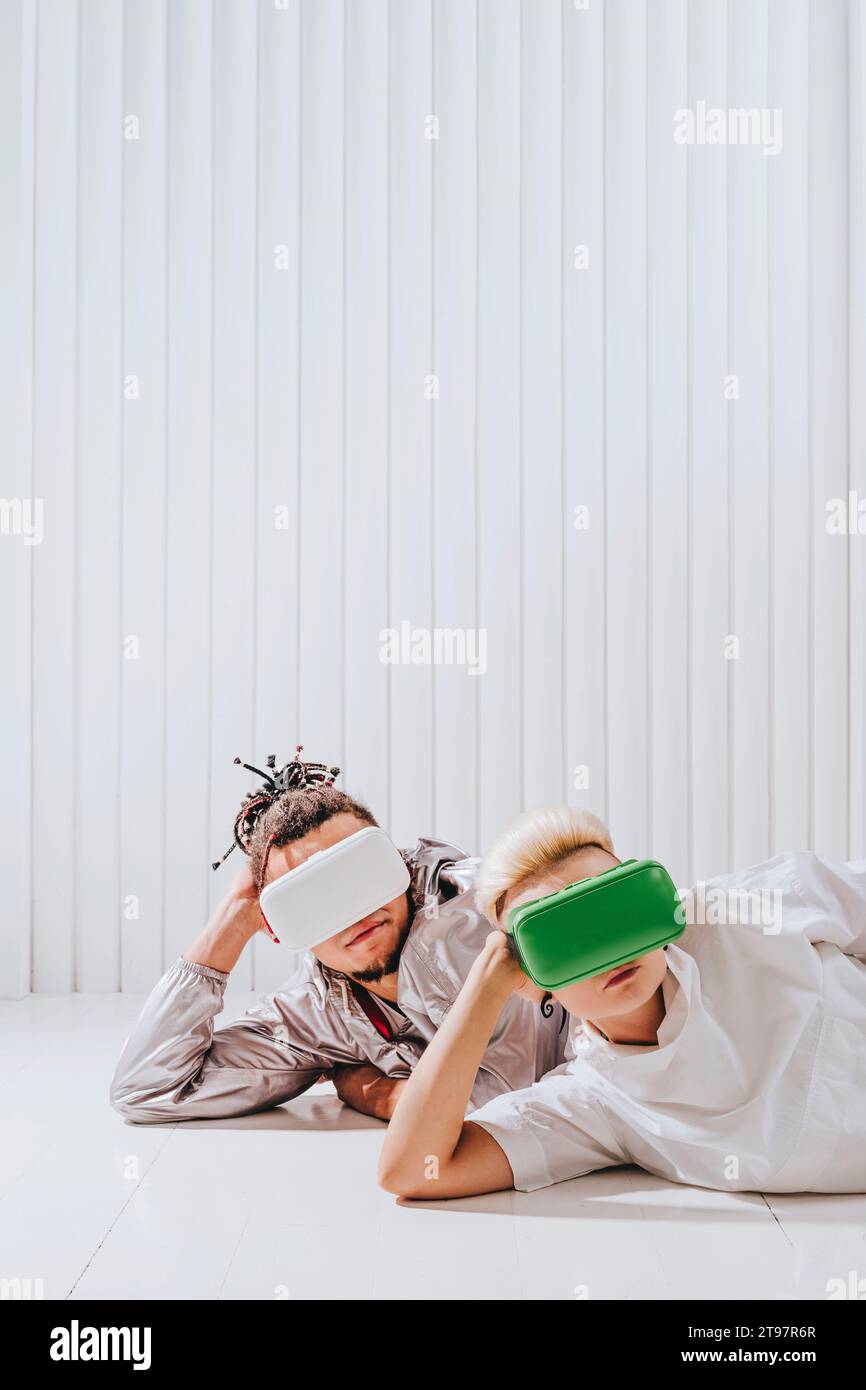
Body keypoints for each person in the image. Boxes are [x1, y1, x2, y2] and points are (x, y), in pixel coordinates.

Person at [378, 804, 866, 1198]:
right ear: (529, 977)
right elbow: (416, 1171)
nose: (607, 947)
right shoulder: (594, 1105)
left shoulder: (736, 914)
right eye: (564, 936)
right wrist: (484, 988)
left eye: (612, 905)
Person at [109, 751, 565, 1125]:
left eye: (362, 874)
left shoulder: (477, 915)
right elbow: (146, 1088)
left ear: (400, 864)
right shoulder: (320, 1012)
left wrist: (369, 1088)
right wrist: (233, 918)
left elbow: (508, 1106)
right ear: (276, 922)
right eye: (312, 900)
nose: (356, 913)